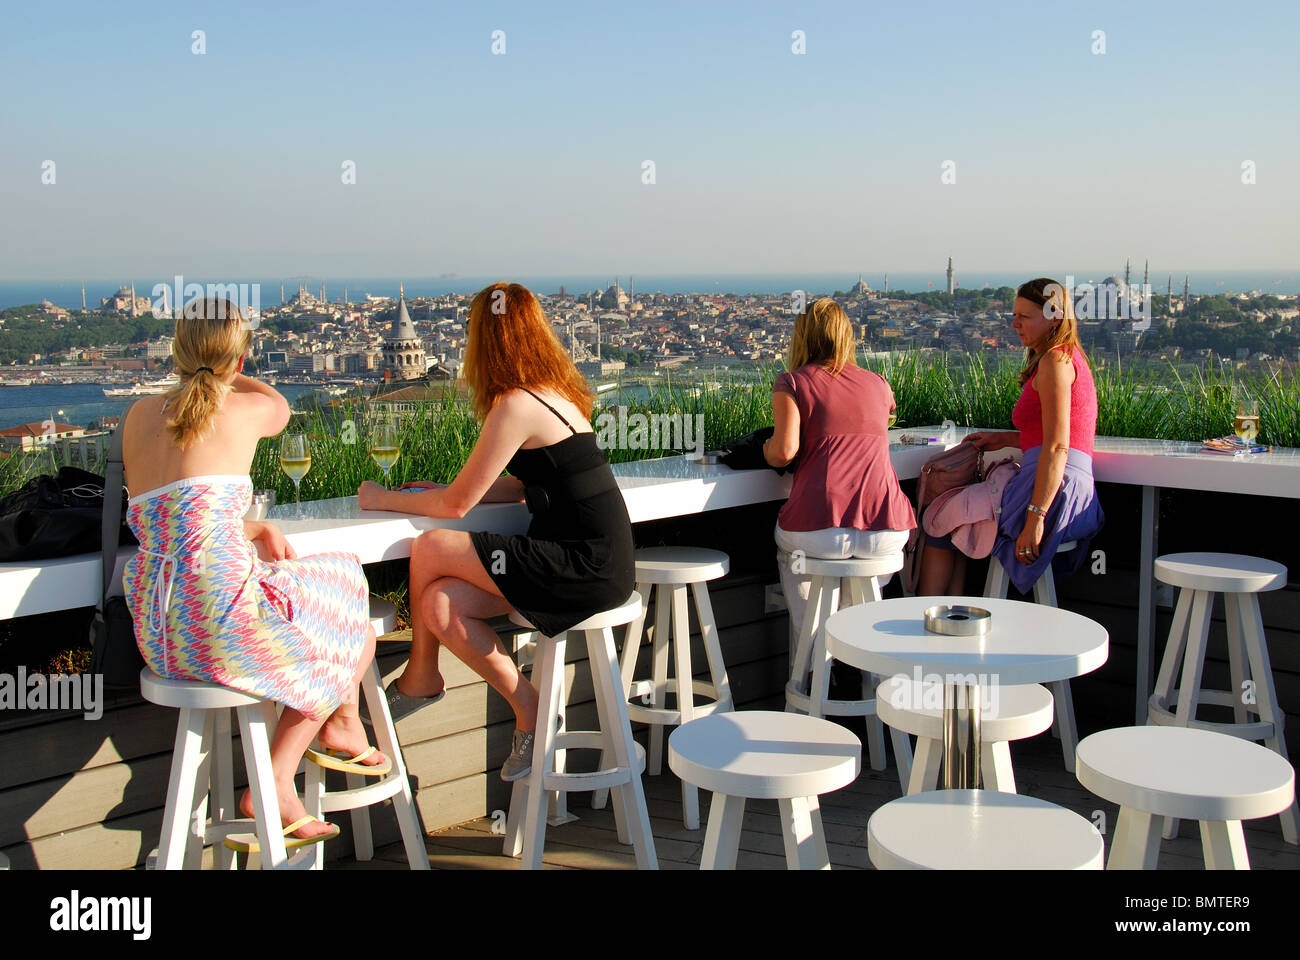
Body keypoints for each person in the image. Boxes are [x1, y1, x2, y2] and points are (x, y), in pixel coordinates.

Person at [121, 298, 386, 849]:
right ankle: (282, 774)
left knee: (347, 626)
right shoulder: (246, 409)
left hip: (161, 635)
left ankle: (335, 724)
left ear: (176, 351)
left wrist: (247, 528)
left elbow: (178, 516)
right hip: (221, 629)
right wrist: (236, 373)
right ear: (240, 359)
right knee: (349, 594)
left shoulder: (138, 415)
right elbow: (279, 405)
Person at [357, 282, 634, 781]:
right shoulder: (558, 396)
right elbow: (527, 486)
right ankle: (528, 704)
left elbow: (455, 508)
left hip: (582, 565)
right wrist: (453, 488)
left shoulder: (515, 404)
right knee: (440, 603)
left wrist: (384, 498)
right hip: (595, 561)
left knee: (431, 546)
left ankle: (422, 676)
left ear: (488, 339)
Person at [919, 277, 1104, 595]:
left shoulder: (1054, 362)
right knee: (953, 518)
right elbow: (1062, 436)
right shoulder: (1070, 358)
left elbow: (1058, 447)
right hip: (1070, 489)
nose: (1014, 323)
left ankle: (929, 609)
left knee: (938, 516)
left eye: (1024, 316)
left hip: (1049, 492)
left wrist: (1036, 517)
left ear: (1054, 318)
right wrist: (1005, 439)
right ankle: (949, 609)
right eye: (1014, 315)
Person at [763, 297, 916, 643]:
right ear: (847, 335)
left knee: (796, 557)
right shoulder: (878, 384)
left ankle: (816, 655)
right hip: (886, 530)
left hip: (819, 529)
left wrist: (763, 449)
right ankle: (860, 653)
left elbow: (784, 452)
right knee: (855, 599)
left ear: (802, 337)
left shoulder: (792, 382)